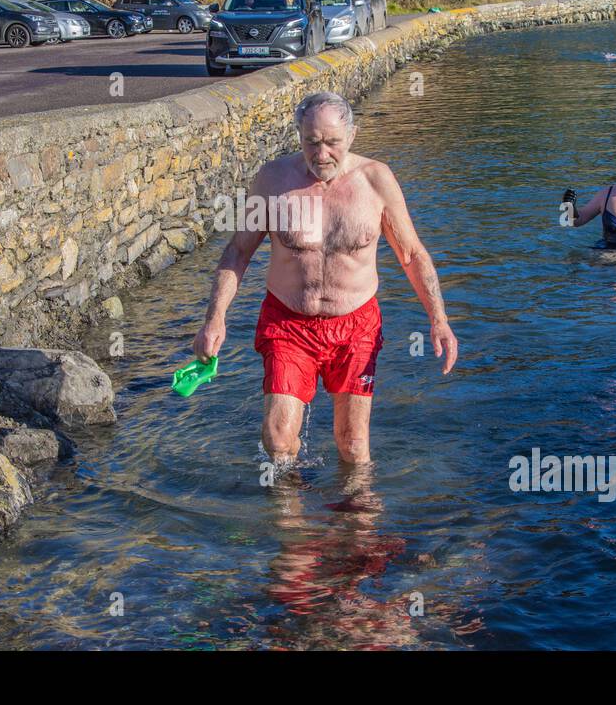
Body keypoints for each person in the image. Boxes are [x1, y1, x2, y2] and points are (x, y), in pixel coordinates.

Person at [192, 91, 458, 467]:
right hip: (288, 322)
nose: (321, 154)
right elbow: (238, 251)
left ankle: (356, 521)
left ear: (352, 135)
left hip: (356, 325)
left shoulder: (376, 181)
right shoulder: (273, 181)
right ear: (299, 135)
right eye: (311, 142)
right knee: (278, 438)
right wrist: (214, 319)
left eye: (332, 142)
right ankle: (292, 516)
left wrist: (439, 320)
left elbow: (412, 255)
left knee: (351, 444)